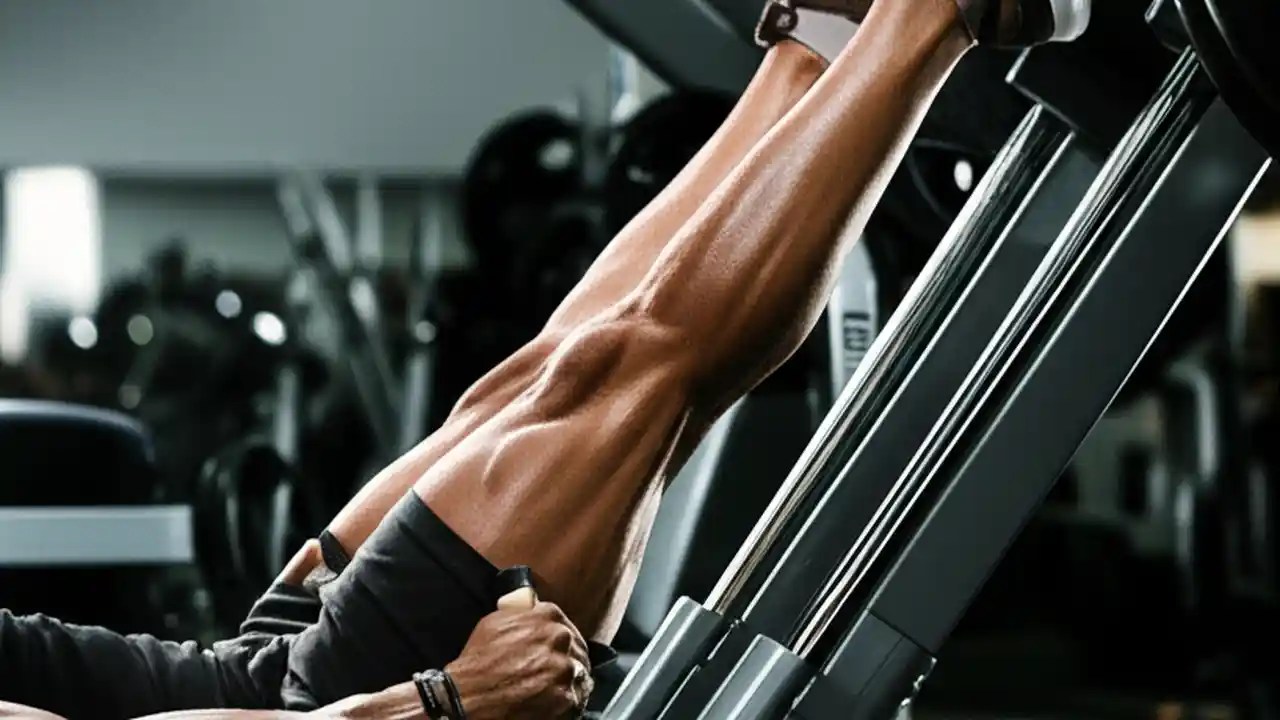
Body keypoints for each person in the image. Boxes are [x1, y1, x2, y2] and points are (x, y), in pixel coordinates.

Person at [0, 0, 1089, 717]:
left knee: (537, 375)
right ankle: (932, 15)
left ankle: (826, 33)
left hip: (241, 681)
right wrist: (438, 704)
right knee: (631, 380)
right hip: (337, 715)